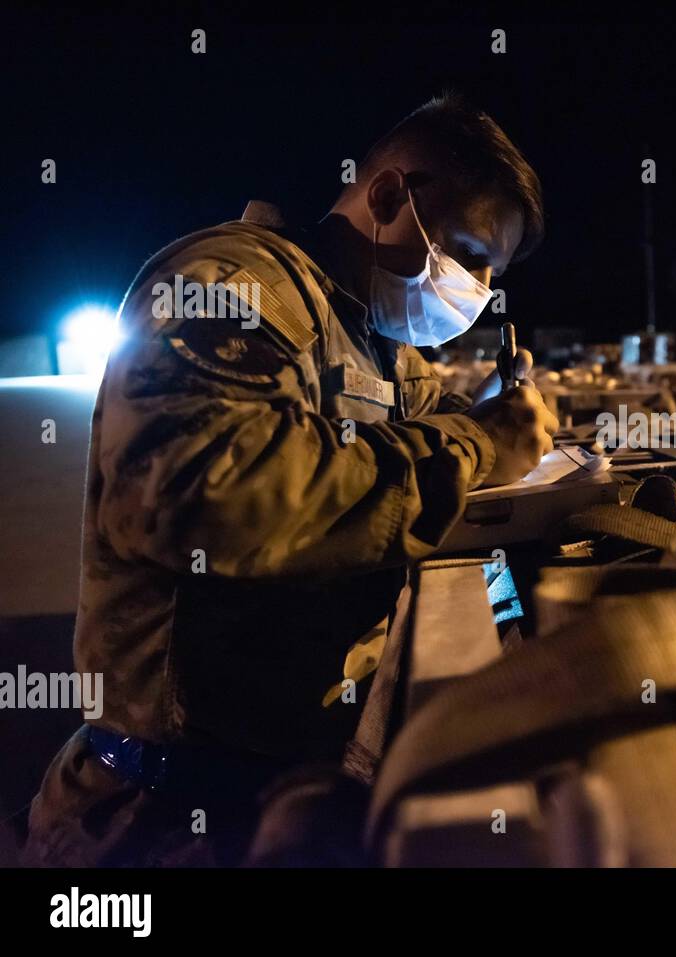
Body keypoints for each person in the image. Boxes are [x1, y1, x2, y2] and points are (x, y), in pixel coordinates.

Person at [24, 93, 558, 866]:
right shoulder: (232, 285)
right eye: (468, 254)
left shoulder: (377, 340)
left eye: (490, 273)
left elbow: (413, 429)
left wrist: (496, 422)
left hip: (281, 793)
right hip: (157, 816)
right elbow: (206, 493)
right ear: (385, 195)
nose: (475, 289)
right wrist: (473, 444)